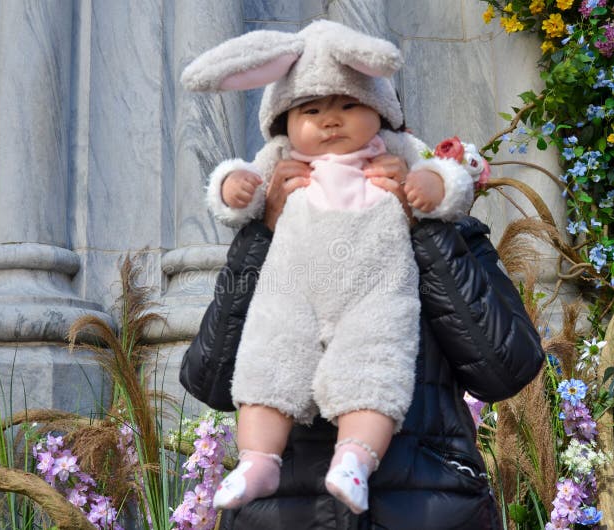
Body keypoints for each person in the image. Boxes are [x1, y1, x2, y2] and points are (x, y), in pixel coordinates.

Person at [181, 20, 545, 530]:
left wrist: (424, 227)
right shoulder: (277, 227)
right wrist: (262, 234)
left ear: (386, 119)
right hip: (287, 511)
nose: (332, 123)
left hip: (427, 507)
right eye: (311, 109)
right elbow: (210, 379)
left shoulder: (453, 230)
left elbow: (506, 368)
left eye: (350, 104)